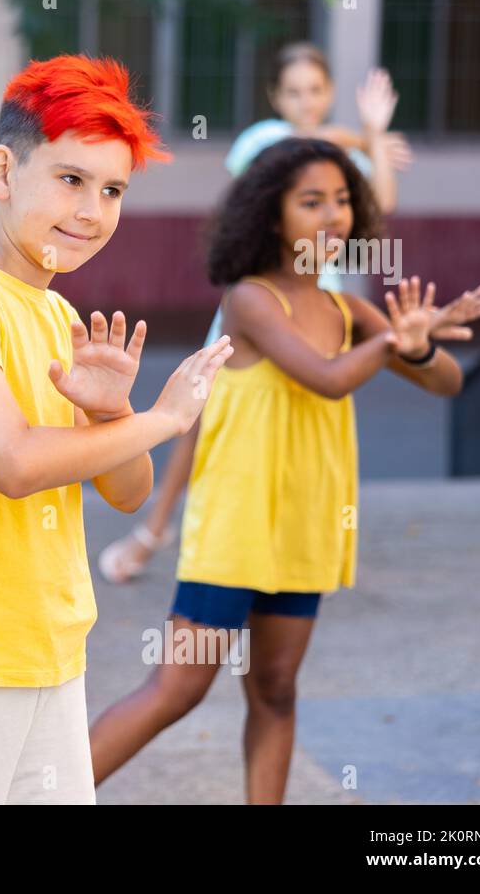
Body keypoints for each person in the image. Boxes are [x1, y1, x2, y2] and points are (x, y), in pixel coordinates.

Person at [0, 55, 235, 805]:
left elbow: (125, 493)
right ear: (1, 171)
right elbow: (16, 462)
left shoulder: (60, 316)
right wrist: (161, 417)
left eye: (112, 190)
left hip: (50, 652)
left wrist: (113, 413)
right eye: (69, 179)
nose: (91, 210)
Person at [87, 137, 480, 803]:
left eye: (342, 200)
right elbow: (329, 380)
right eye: (312, 201)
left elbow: (447, 382)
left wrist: (419, 348)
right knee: (177, 688)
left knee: (277, 689)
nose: (333, 215)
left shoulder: (346, 309)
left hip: (302, 530)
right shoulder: (250, 300)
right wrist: (394, 341)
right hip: (236, 530)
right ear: (271, 215)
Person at [99, 41, 414, 584]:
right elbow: (295, 152)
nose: (306, 100)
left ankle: (292, 552)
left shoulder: (341, 157)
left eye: (316, 91)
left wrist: (376, 142)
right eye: (293, 91)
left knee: (305, 418)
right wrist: (366, 135)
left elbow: (379, 202)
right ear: (274, 96)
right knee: (198, 412)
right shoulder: (264, 140)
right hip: (264, 301)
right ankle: (153, 532)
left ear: (330, 93)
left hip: (319, 297)